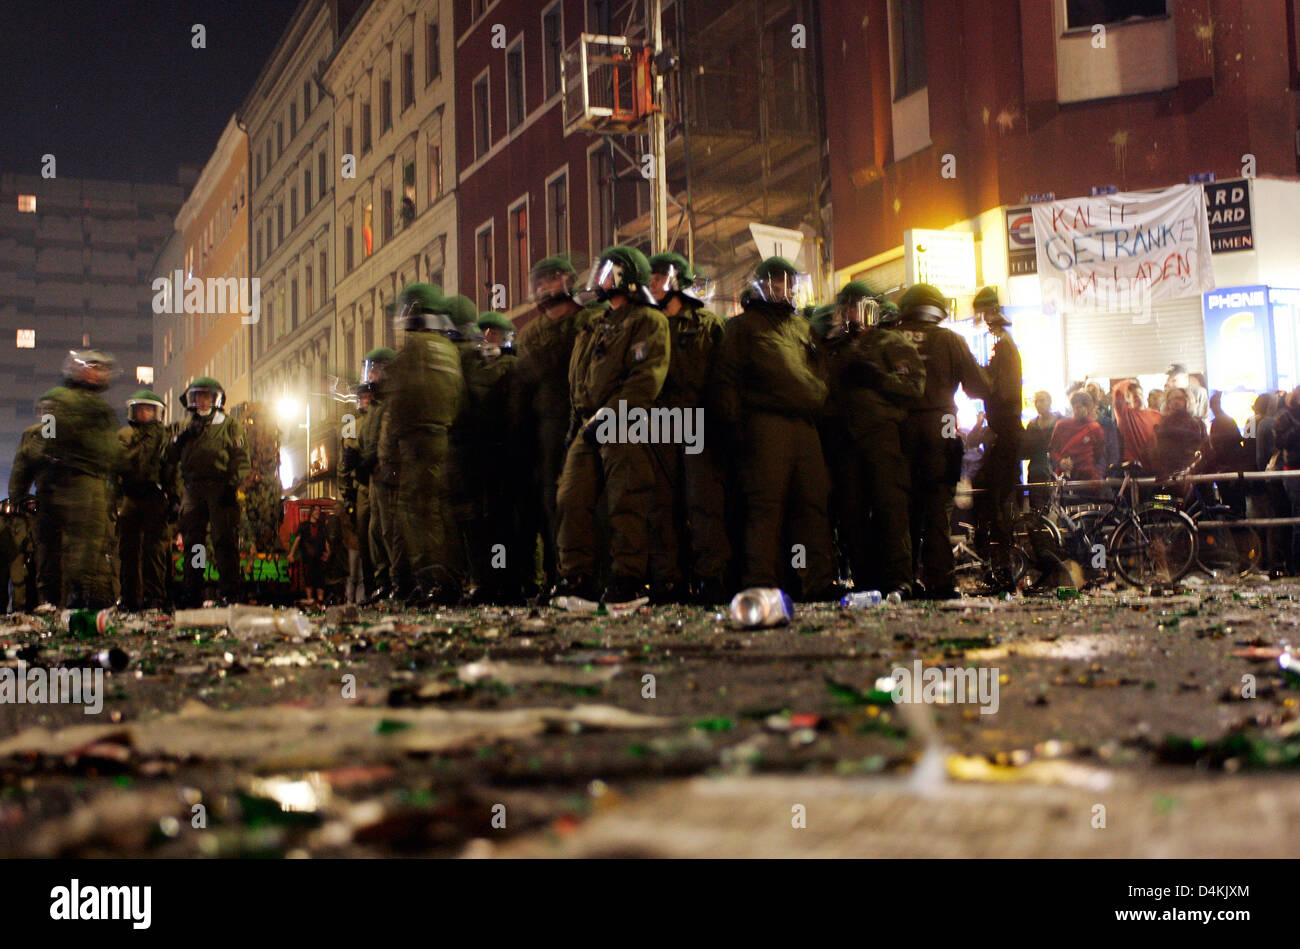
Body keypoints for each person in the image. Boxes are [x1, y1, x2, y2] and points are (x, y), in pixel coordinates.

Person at [713, 257, 838, 601]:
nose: (789, 290)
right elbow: (726, 382)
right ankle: (761, 580)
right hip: (764, 425)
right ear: (764, 285)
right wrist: (735, 432)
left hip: (804, 426)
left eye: (792, 283)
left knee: (811, 504)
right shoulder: (742, 328)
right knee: (766, 507)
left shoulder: (801, 327)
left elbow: (821, 372)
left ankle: (813, 580)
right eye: (782, 282)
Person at [552, 246, 669, 611]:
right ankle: (577, 580)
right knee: (570, 498)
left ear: (624, 276)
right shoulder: (595, 323)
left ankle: (628, 580)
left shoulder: (648, 321)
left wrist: (611, 414)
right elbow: (578, 378)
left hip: (625, 423)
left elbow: (644, 379)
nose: (600, 279)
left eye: (607, 272)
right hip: (589, 424)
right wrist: (577, 423)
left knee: (626, 500)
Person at [814, 283, 924, 598]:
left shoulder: (892, 342)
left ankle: (899, 580)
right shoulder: (835, 348)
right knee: (852, 514)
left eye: (856, 306)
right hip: (845, 442)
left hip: (882, 438)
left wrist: (878, 377)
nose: (851, 313)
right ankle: (866, 580)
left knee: (891, 510)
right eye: (847, 307)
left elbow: (914, 386)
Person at [894, 283, 990, 599]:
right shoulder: (949, 339)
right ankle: (940, 583)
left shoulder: (888, 339)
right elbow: (977, 387)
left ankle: (902, 582)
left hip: (899, 431)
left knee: (903, 511)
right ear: (937, 309)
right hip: (942, 427)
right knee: (937, 509)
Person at [644, 252, 729, 605]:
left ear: (675, 280)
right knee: (661, 506)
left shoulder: (708, 324)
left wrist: (724, 426)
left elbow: (724, 379)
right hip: (660, 424)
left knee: (703, 505)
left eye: (658, 278)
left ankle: (713, 580)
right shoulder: (647, 325)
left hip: (699, 424)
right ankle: (669, 582)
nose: (651, 286)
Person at [382, 282, 466, 608]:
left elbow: (401, 396)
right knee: (438, 512)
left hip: (416, 440)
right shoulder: (447, 348)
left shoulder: (415, 347)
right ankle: (445, 580)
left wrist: (398, 435)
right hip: (441, 435)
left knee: (417, 513)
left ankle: (434, 581)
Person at [42, 351, 122, 609]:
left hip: (97, 479)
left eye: (101, 369)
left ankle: (91, 595)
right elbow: (50, 432)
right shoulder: (61, 399)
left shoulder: (101, 407)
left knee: (96, 542)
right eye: (92, 367)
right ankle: (77, 595)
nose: (97, 373)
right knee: (82, 544)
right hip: (76, 477)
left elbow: (111, 447)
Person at [459, 310, 527, 603]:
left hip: (502, 457)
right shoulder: (474, 368)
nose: (487, 338)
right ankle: (486, 581)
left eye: (494, 333)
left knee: (502, 525)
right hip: (480, 457)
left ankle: (505, 583)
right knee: (480, 526)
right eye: (484, 332)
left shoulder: (512, 367)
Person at [170, 376, 249, 607]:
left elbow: (242, 459)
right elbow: (169, 457)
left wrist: (233, 485)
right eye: (198, 397)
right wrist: (181, 439)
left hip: (221, 487)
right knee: (194, 542)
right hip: (193, 489)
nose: (203, 401)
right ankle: (193, 589)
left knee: (224, 541)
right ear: (191, 400)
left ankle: (229, 591)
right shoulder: (185, 426)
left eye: (207, 396)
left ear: (216, 399)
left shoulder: (229, 424)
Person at [116, 390, 177, 611]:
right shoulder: (124, 436)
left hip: (155, 497)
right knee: (127, 551)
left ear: (157, 412)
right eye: (140, 408)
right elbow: (115, 466)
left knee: (155, 552)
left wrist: (175, 498)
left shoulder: (164, 437)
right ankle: (129, 598)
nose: (143, 413)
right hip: (130, 497)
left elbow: (171, 469)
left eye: (148, 409)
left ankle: (155, 598)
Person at [971, 287, 1022, 548]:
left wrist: (978, 374)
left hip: (1004, 431)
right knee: (996, 493)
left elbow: (1002, 391)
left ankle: (1004, 557)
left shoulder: (1003, 345)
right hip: (1004, 431)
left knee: (996, 495)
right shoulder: (1003, 343)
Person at [354, 347, 398, 604]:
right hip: (374, 478)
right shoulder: (375, 407)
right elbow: (367, 441)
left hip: (388, 474)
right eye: (369, 369)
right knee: (375, 533)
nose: (370, 374)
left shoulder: (391, 403)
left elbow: (389, 439)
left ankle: (397, 581)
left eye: (375, 369)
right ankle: (383, 582)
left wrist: (370, 459)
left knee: (389, 531)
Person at [1151, 387, 1208, 479]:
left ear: (1187, 400)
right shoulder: (1164, 423)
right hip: (1171, 473)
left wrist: (1193, 467)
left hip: (1196, 473)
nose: (1175, 402)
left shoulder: (1197, 423)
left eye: (1179, 398)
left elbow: (1204, 448)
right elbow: (1162, 450)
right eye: (1171, 400)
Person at [1049, 390, 1105, 482]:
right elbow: (1052, 450)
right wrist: (1060, 462)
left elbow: (1099, 454)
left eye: (1079, 406)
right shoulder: (1061, 425)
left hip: (1087, 477)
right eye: (1074, 406)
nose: (1076, 409)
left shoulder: (1095, 428)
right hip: (1065, 475)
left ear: (1087, 407)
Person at [1021, 391, 1063, 503]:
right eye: (1036, 401)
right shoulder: (1032, 425)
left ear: (1049, 401)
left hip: (1056, 469)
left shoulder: (1061, 422)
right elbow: (1026, 449)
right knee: (1036, 506)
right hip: (1036, 470)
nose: (1038, 404)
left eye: (1042, 400)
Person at [1112, 378, 1160, 471]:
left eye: (1139, 394)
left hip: (1154, 464)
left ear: (1144, 396)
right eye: (1133, 396)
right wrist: (1129, 381)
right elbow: (1117, 392)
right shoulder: (1125, 415)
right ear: (1127, 399)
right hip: (1134, 467)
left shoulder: (1157, 415)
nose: (1137, 397)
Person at [288, 504, 329, 605]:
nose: (317, 512)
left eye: (319, 510)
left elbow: (326, 541)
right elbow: (298, 539)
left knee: (320, 580)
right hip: (307, 558)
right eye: (315, 510)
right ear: (311, 512)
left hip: (319, 558)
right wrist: (291, 554)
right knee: (308, 579)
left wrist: (328, 553)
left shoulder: (321, 526)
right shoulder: (304, 525)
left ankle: (320, 602)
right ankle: (310, 601)